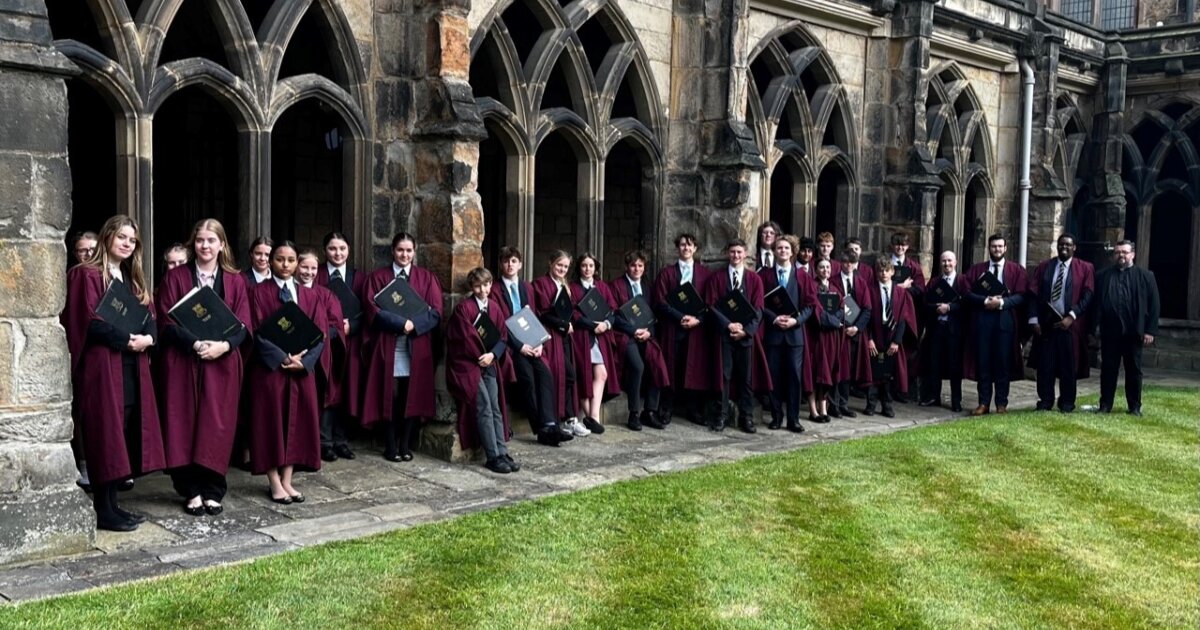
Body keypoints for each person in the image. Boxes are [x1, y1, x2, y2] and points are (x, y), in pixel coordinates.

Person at [63, 215, 165, 531]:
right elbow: (89, 321)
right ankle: (103, 511)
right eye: (121, 237)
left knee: (121, 433)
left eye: (131, 240)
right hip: (102, 367)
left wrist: (149, 338)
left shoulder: (131, 278)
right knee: (104, 434)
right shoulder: (87, 275)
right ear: (108, 237)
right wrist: (127, 340)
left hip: (130, 367)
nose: (126, 243)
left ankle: (113, 506)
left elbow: (149, 316)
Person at [156, 219, 250, 516]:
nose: (205, 246)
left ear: (221, 244)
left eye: (211, 240)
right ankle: (190, 490)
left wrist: (223, 346)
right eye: (200, 240)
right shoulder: (176, 278)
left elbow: (243, 325)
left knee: (216, 425)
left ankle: (213, 489)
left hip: (222, 364)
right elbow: (166, 320)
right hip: (184, 361)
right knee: (183, 423)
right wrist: (196, 345)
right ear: (192, 244)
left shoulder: (235, 281)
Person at [247, 241, 325, 503]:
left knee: (297, 422)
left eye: (291, 260)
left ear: (297, 262)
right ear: (271, 262)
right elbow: (255, 330)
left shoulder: (310, 296)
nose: (285, 264)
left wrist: (305, 362)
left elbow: (320, 335)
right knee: (270, 423)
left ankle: (288, 480)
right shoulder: (258, 293)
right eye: (279, 259)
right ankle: (274, 482)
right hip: (270, 371)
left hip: (301, 371)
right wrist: (281, 357)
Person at [360, 232, 444, 461]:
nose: (404, 254)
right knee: (391, 395)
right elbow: (372, 310)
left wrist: (413, 325)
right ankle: (389, 444)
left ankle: (405, 444)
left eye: (408, 250)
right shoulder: (378, 278)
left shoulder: (427, 279)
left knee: (411, 394)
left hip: (416, 346)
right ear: (392, 251)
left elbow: (436, 312)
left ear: (414, 252)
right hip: (388, 344)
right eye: (400, 250)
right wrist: (401, 323)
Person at [489, 247, 570, 446]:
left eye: (514, 261)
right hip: (511, 344)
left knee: (545, 373)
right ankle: (541, 429)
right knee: (526, 377)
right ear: (501, 264)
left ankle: (551, 424)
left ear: (520, 264)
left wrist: (539, 342)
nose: (510, 265)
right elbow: (500, 323)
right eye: (507, 261)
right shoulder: (495, 290)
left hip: (532, 342)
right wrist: (520, 347)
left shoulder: (527, 287)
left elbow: (534, 317)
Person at [446, 267, 521, 473]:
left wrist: (493, 355)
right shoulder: (464, 309)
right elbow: (463, 339)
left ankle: (502, 451)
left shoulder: (495, 308)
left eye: (486, 284)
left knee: (496, 406)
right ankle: (492, 456)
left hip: (490, 362)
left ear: (491, 284)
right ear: (472, 286)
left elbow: (503, 337)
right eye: (478, 285)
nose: (482, 289)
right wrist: (481, 356)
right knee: (484, 406)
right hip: (469, 365)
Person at [699, 238, 770, 432]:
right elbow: (711, 305)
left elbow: (759, 309)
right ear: (727, 253)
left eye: (739, 252)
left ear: (745, 254)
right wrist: (729, 325)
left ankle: (746, 417)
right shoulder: (717, 278)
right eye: (732, 252)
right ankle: (722, 415)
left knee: (746, 377)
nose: (736, 256)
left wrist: (746, 330)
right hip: (724, 335)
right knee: (724, 375)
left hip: (746, 337)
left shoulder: (754, 279)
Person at [1092, 240, 1160, 416]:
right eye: (1117, 252)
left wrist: (1150, 330)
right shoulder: (1102, 276)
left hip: (1133, 332)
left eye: (1124, 252)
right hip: (1110, 332)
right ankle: (1105, 405)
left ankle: (1134, 406)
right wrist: (1094, 328)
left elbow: (1154, 305)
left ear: (1133, 254)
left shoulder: (1146, 276)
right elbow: (1096, 304)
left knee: (1134, 371)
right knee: (1108, 370)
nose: (1121, 255)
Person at [1028, 234, 1094, 413]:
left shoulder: (1085, 268)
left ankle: (1066, 403)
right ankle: (1045, 401)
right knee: (1045, 366)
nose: (1064, 247)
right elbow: (1033, 295)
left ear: (1074, 248)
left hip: (1070, 326)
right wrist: (1033, 319)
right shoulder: (1044, 267)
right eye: (1061, 244)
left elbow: (1088, 295)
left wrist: (1071, 316)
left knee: (1068, 367)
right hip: (1047, 324)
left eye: (1068, 244)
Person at [963, 234, 1028, 415]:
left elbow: (1022, 295)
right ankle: (983, 403)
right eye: (993, 246)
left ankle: (1001, 404)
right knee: (983, 362)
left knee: (1003, 363)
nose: (997, 249)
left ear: (1005, 248)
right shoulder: (977, 270)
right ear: (988, 248)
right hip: (983, 322)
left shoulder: (1016, 271)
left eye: (1000, 246)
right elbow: (966, 293)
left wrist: (1001, 303)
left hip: (1005, 322)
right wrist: (985, 301)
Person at [652, 233, 711, 425]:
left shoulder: (705, 274)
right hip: (672, 327)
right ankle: (667, 407)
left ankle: (692, 409)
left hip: (696, 330)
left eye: (690, 245)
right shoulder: (667, 273)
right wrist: (680, 317)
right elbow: (660, 301)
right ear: (678, 248)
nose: (686, 248)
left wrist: (698, 320)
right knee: (672, 366)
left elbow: (710, 303)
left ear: (695, 248)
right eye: (682, 245)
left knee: (693, 366)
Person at [758, 234, 815, 431]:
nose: (783, 251)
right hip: (773, 334)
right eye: (779, 248)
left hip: (795, 335)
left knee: (794, 377)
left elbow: (810, 306)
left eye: (786, 248)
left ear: (793, 252)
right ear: (774, 251)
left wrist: (795, 320)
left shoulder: (803, 277)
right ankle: (776, 416)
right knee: (773, 376)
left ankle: (793, 419)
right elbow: (758, 304)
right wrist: (773, 318)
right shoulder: (764, 276)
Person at [315, 232, 364, 460]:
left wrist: (351, 327)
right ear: (325, 250)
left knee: (346, 390)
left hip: (350, 342)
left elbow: (368, 311)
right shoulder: (317, 274)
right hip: (325, 343)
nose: (338, 253)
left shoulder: (359, 278)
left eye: (342, 248)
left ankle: (341, 440)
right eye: (333, 249)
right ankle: (324, 441)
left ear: (349, 250)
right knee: (326, 389)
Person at [609, 250, 671, 431]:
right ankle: (634, 413)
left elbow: (654, 315)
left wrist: (649, 333)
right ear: (627, 267)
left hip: (646, 335)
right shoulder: (616, 286)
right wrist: (634, 330)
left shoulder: (648, 288)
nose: (637, 269)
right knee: (638, 366)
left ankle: (650, 411)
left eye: (640, 266)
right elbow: (615, 315)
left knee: (657, 364)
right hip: (625, 335)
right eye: (633, 265)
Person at [297, 248, 347, 461]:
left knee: (322, 397)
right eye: (304, 267)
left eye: (313, 268)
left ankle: (322, 442)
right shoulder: (288, 291)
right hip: (292, 356)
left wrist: (319, 333)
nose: (309, 272)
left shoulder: (326, 295)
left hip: (320, 355)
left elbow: (336, 326)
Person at [532, 250, 586, 436]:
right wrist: (563, 325)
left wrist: (568, 324)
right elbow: (542, 312)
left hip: (564, 338)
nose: (562, 269)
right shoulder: (540, 284)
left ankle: (570, 418)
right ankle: (561, 418)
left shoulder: (565, 286)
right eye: (559, 265)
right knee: (564, 375)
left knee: (569, 375)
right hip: (550, 336)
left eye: (565, 266)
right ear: (550, 263)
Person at [570, 253, 618, 434]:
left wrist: (606, 324)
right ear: (579, 268)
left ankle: (593, 416)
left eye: (591, 265)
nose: (587, 269)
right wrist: (592, 326)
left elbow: (612, 311)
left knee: (602, 374)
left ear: (595, 268)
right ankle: (593, 418)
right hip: (582, 336)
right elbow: (573, 314)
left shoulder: (602, 287)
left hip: (601, 337)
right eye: (584, 265)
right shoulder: (573, 288)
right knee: (583, 376)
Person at [864, 259, 917, 418]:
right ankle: (871, 404)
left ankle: (887, 405)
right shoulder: (870, 290)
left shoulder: (901, 293)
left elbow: (903, 319)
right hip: (876, 334)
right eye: (880, 271)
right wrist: (869, 338)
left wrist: (897, 341)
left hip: (892, 336)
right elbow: (867, 316)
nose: (883, 274)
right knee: (874, 372)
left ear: (892, 272)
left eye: (886, 271)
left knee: (889, 373)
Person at [919, 251, 967, 412]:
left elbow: (967, 303)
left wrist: (950, 307)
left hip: (955, 330)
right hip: (936, 329)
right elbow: (925, 303)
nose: (947, 264)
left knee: (955, 366)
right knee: (935, 363)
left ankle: (956, 400)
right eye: (944, 261)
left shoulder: (962, 281)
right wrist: (936, 308)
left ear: (956, 262)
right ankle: (934, 397)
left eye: (949, 261)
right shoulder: (934, 282)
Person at [832, 249, 871, 418]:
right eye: (846, 262)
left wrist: (857, 328)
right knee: (836, 369)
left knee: (848, 372)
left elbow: (867, 309)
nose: (848, 266)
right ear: (841, 262)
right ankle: (833, 405)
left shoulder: (861, 283)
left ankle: (844, 404)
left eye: (852, 263)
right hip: (837, 332)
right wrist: (841, 325)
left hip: (854, 333)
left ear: (856, 264)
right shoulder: (833, 282)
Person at [810, 259, 849, 423]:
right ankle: (813, 411)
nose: (825, 269)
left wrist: (836, 320)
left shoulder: (835, 289)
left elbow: (842, 309)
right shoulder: (811, 286)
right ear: (816, 269)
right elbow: (815, 309)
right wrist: (833, 322)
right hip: (817, 335)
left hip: (832, 337)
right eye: (821, 267)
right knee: (815, 372)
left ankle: (823, 408)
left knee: (828, 371)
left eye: (827, 267)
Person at [889, 231, 926, 403]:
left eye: (903, 244)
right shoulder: (885, 263)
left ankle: (902, 389)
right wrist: (900, 287)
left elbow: (920, 290)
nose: (900, 247)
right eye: (897, 244)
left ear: (907, 246)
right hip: (887, 313)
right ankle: (886, 389)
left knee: (904, 352)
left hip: (907, 314)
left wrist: (903, 290)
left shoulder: (914, 267)